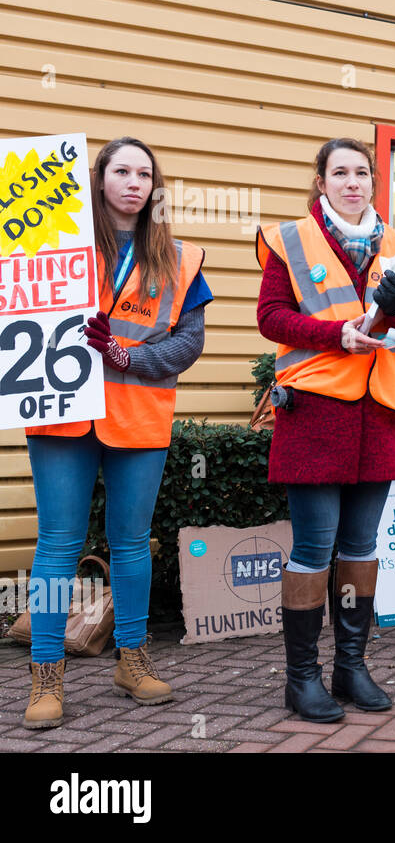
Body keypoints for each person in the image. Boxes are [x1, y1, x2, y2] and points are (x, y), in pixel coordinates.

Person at [22, 137, 210, 730]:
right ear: (98, 178)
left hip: (137, 413)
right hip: (60, 412)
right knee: (58, 545)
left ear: (155, 187)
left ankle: (133, 660)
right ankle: (45, 674)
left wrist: (126, 356)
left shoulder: (180, 258)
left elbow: (189, 344)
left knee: (131, 544)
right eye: (121, 170)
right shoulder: (50, 246)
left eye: (145, 173)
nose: (133, 181)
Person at [256, 137, 395, 722]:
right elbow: (270, 317)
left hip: (377, 410)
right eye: (340, 173)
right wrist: (336, 335)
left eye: (362, 173)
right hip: (313, 410)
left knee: (360, 547)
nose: (352, 182)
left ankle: (350, 666)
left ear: (372, 182)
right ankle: (301, 678)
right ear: (321, 181)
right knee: (313, 548)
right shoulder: (289, 238)